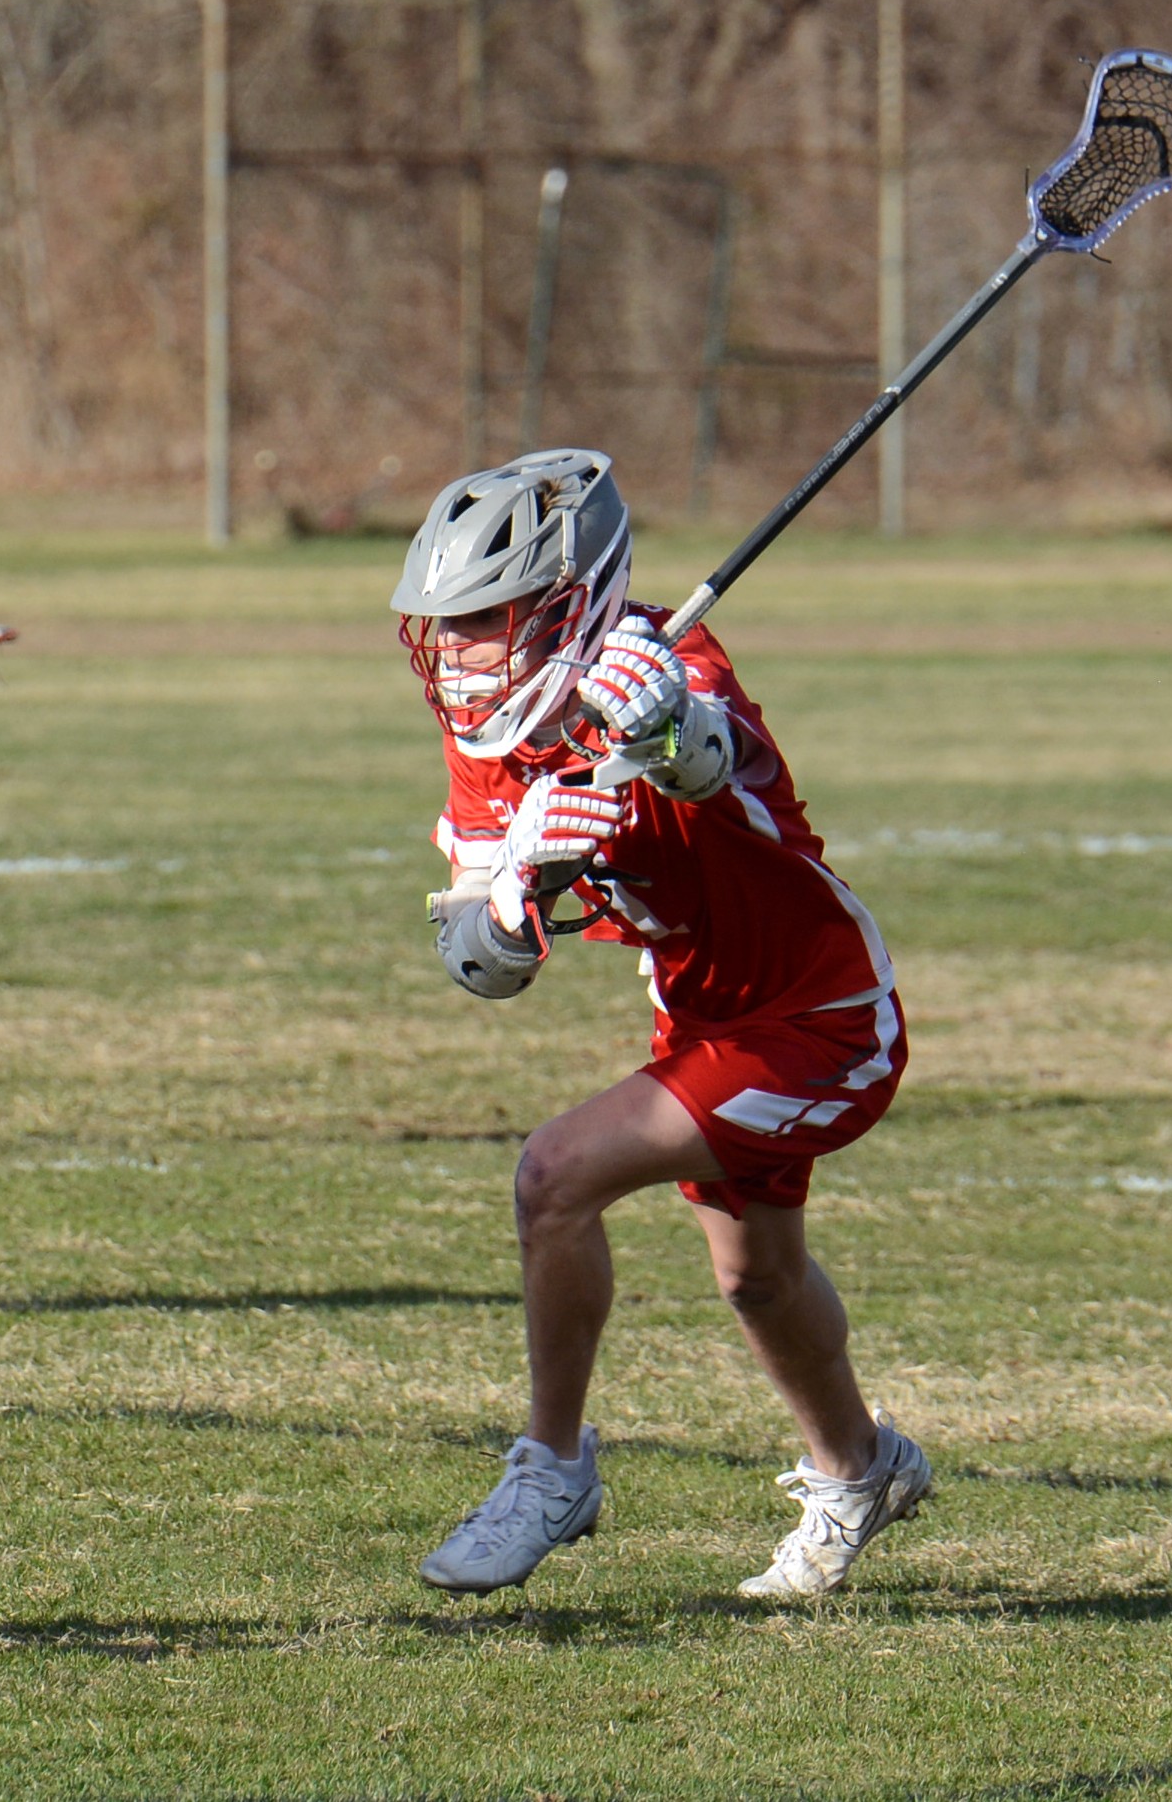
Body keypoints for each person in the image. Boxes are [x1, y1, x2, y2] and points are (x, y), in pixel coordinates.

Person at [395, 449, 928, 1601]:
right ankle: (861, 1468)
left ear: (564, 603)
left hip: (820, 1017)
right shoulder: (494, 735)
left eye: (480, 620)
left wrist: (665, 729)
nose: (454, 652)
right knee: (759, 1280)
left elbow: (713, 756)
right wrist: (520, 878)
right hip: (700, 1015)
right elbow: (482, 966)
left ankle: (553, 1469)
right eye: (442, 624)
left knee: (555, 1176)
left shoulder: (670, 668)